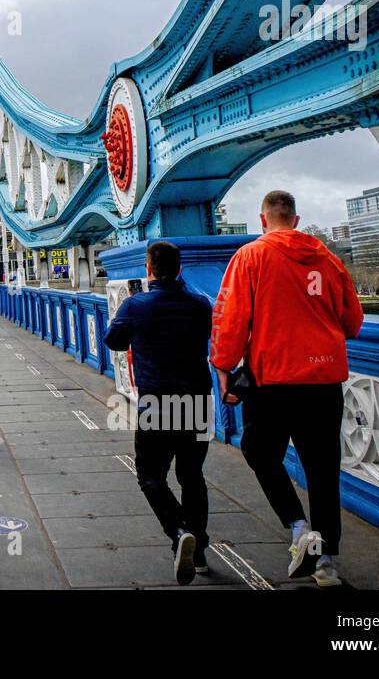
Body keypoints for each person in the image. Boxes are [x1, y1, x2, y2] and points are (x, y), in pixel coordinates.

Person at [211, 190, 363, 588]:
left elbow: (231, 319)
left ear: (264, 221)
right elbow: (353, 323)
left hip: (273, 379)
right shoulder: (330, 260)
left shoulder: (250, 256)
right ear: (295, 220)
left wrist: (223, 365)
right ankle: (327, 560)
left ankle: (298, 529)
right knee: (322, 469)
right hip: (324, 380)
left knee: (259, 452)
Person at [103, 241, 213, 585]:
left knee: (150, 475)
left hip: (158, 400)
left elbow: (113, 342)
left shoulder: (136, 304)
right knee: (192, 475)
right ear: (180, 269)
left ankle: (179, 532)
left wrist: (128, 312)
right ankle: (200, 553)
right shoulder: (200, 303)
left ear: (149, 270)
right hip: (197, 398)